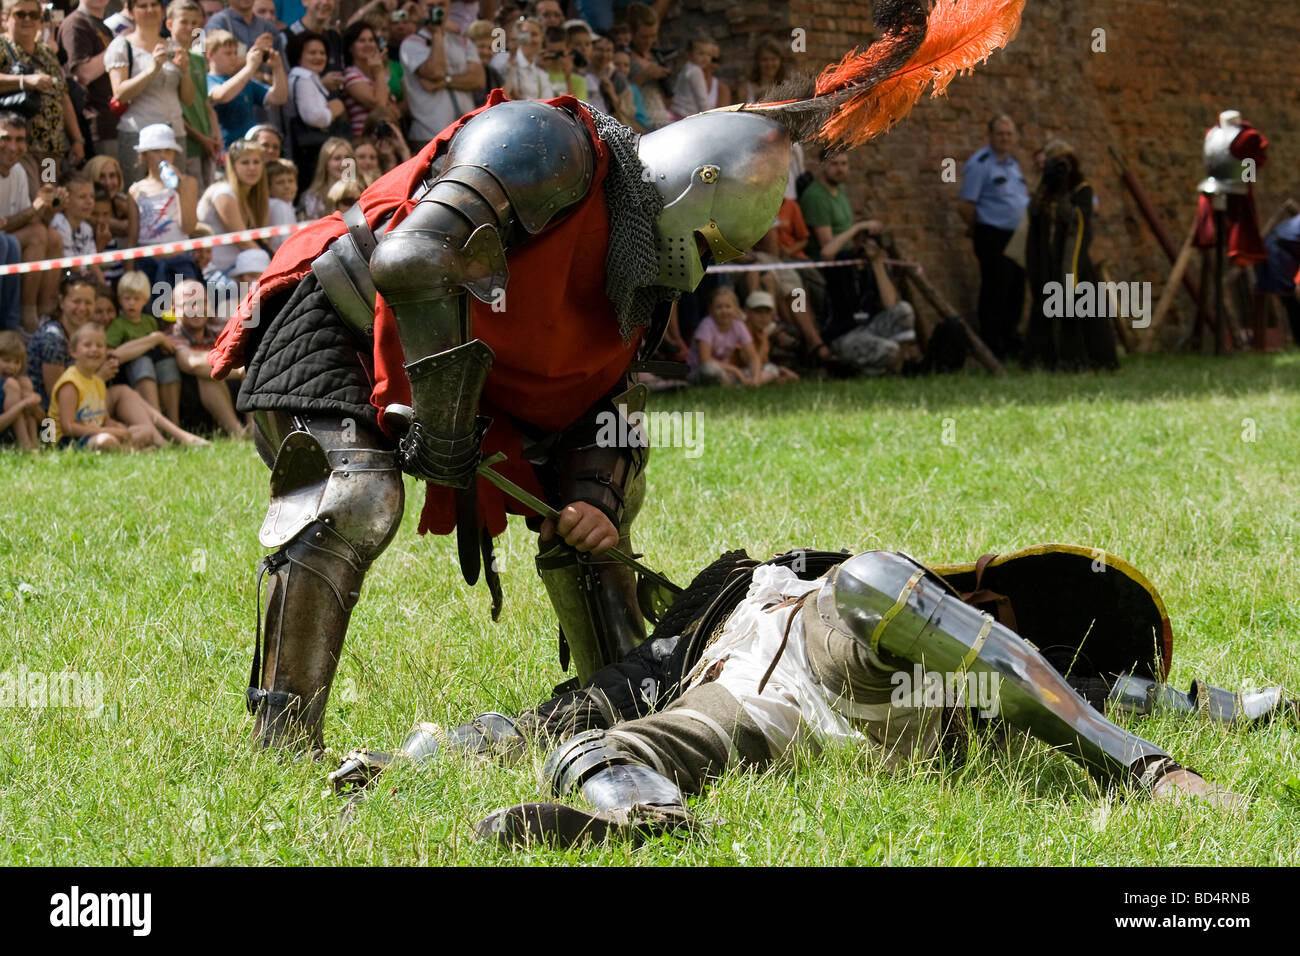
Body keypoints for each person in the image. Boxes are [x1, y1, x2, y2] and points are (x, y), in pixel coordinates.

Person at [205, 0, 1024, 752]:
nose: (701, 269)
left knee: (600, 518)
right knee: (357, 498)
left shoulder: (643, 278)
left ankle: (618, 701)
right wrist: (445, 426)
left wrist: (593, 496)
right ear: (693, 191)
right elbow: (415, 260)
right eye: (709, 244)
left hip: (467, 378)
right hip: (334, 332)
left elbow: (607, 407)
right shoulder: (545, 143)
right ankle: (281, 738)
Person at [383, 545, 1274, 847]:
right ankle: (645, 823)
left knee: (872, 585)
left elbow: (1149, 692)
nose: (991, 615)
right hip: (755, 697)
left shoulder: (990, 659)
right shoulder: (735, 595)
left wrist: (1242, 710)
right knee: (595, 747)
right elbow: (561, 711)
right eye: (987, 606)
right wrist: (410, 761)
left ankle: (1149, 777)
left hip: (878, 679)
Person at [1023, 141, 1117, 371]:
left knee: (1086, 308)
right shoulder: (1044, 191)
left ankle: (1091, 360)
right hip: (1048, 259)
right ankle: (1045, 359)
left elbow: (1078, 219)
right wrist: (1046, 182)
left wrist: (1064, 191)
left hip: (1072, 262)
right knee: (1045, 305)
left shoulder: (1081, 188)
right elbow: (1034, 213)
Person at [958, 113, 1030, 360]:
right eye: (1000, 133)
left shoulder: (1013, 164)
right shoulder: (980, 163)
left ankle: (1010, 342)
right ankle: (992, 346)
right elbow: (966, 205)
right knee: (995, 291)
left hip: (1017, 237)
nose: (1005, 138)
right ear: (990, 135)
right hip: (993, 236)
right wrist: (979, 229)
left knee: (1015, 290)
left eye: (1009, 134)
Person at [104, 0, 196, 177]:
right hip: (139, 134)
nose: (149, 10)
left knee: (174, 193)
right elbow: (120, 94)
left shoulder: (174, 46)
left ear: (162, 12)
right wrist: (152, 69)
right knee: (139, 192)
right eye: (142, 5)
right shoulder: (122, 46)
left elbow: (188, 99)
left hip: (174, 133)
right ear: (131, 13)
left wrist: (185, 72)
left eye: (154, 5)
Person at [0, 0, 84, 168]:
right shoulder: (2, 46)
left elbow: (63, 97)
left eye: (34, 15)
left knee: (49, 191)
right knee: (27, 192)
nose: (27, 20)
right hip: (18, 149)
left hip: (50, 150)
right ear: (5, 18)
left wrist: (77, 139)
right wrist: (24, 81)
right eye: (20, 14)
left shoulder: (46, 52)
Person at [0, 113, 62, 331]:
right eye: (5, 139)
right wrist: (34, 209)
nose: (12, 146)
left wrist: (51, 206)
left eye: (19, 140)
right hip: (5, 243)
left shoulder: (22, 169)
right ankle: (24, 318)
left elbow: (32, 217)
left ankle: (43, 314)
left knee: (53, 237)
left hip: (9, 240)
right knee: (33, 235)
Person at [51, 322, 154, 450]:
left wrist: (117, 427)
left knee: (146, 431)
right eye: (87, 345)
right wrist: (110, 432)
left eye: (100, 345)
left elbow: (105, 419)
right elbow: (68, 427)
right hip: (70, 440)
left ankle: (123, 449)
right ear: (73, 351)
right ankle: (130, 450)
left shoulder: (98, 381)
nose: (94, 349)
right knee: (105, 440)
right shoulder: (70, 383)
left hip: (97, 432)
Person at [170, 277, 247, 437]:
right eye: (188, 304)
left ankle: (256, 429)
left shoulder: (220, 327)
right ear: (173, 310)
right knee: (209, 374)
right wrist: (239, 370)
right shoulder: (172, 334)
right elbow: (191, 363)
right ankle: (238, 434)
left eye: (202, 302)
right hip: (192, 406)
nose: (197, 308)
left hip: (234, 395)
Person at [400, 0, 484, 147]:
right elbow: (436, 71)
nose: (436, 11)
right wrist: (437, 34)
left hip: (465, 134)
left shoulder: (462, 40)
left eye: (441, 5)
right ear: (419, 8)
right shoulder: (410, 43)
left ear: (449, 7)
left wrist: (445, 82)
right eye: (430, 6)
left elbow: (478, 79)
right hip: (428, 136)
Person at [103, 268, 182, 422]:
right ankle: (156, 418)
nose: (131, 303)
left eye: (136, 299)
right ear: (120, 299)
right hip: (130, 369)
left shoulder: (150, 321)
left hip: (155, 365)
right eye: (127, 298)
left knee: (168, 365)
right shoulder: (118, 325)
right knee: (142, 363)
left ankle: (174, 421)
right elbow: (110, 351)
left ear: (145, 300)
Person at [130, 123, 201, 287]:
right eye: (156, 151)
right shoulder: (135, 190)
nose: (162, 155)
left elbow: (188, 227)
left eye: (168, 150)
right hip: (147, 264)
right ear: (144, 155)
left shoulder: (188, 183)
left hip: (179, 263)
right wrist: (130, 272)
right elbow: (133, 237)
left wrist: (180, 188)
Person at [285, 30, 350, 197]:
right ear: (299, 55)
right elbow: (313, 116)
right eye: (312, 52)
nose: (318, 57)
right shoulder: (303, 79)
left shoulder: (309, 78)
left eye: (322, 53)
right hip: (309, 151)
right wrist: (333, 111)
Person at [197, 139, 274, 276]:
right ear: (232, 166)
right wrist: (275, 266)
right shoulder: (223, 192)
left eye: (256, 162)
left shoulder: (250, 197)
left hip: (241, 273)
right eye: (245, 162)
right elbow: (244, 243)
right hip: (217, 275)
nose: (252, 167)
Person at [206, 30, 289, 152]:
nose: (234, 58)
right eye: (228, 53)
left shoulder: (245, 81)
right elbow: (222, 95)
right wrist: (250, 67)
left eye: (236, 53)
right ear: (210, 55)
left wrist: (277, 67)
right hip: (223, 151)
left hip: (248, 150)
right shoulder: (206, 79)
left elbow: (278, 98)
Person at [168, 0, 221, 189]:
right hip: (187, 142)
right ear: (169, 24)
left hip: (207, 143)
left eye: (195, 23)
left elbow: (204, 101)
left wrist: (215, 132)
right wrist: (201, 138)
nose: (190, 27)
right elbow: (173, 107)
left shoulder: (198, 57)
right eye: (184, 22)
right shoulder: (165, 58)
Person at [58, 0, 116, 159]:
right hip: (95, 125)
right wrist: (117, 47)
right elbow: (84, 74)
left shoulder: (102, 26)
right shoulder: (75, 24)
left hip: (113, 123)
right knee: (103, 182)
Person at [687, 285, 762, 387]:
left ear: (736, 309)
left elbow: (753, 356)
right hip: (702, 371)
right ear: (710, 310)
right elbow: (705, 359)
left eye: (728, 306)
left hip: (726, 371)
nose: (724, 311)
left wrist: (756, 379)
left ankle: (743, 383)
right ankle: (736, 384)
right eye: (719, 307)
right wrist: (735, 370)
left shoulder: (738, 325)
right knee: (710, 369)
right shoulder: (706, 325)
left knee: (769, 369)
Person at [340, 20, 398, 137]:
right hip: (365, 139)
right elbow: (380, 105)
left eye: (371, 40)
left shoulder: (372, 76)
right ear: (350, 47)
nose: (368, 44)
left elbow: (395, 112)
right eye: (362, 41)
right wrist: (379, 71)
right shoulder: (350, 74)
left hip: (384, 137)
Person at [50, 175, 105, 287]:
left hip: (84, 279)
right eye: (82, 197)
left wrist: (104, 288)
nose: (89, 202)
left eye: (92, 196)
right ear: (66, 200)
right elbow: (73, 266)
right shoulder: (59, 223)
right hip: (66, 282)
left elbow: (92, 264)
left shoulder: (86, 229)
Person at [84, 154, 140, 249]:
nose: (108, 182)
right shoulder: (84, 208)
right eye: (101, 176)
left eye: (112, 175)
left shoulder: (122, 201)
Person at [0, 329, 43, 448]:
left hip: (11, 436)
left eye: (17, 362)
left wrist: (32, 403)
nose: (12, 366)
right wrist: (23, 404)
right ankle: (25, 445)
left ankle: (34, 443)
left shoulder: (21, 382)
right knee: (12, 385)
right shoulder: (11, 384)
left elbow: (44, 419)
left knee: (25, 383)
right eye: (6, 360)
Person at [296, 135, 352, 219]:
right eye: (337, 158)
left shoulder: (361, 191)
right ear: (325, 163)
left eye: (347, 158)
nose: (344, 163)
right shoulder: (311, 197)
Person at [671, 38, 727, 118]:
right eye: (701, 54)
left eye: (708, 55)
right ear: (689, 54)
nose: (705, 58)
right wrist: (710, 117)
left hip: (677, 112)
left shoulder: (688, 67)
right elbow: (702, 100)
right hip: (683, 115)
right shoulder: (696, 72)